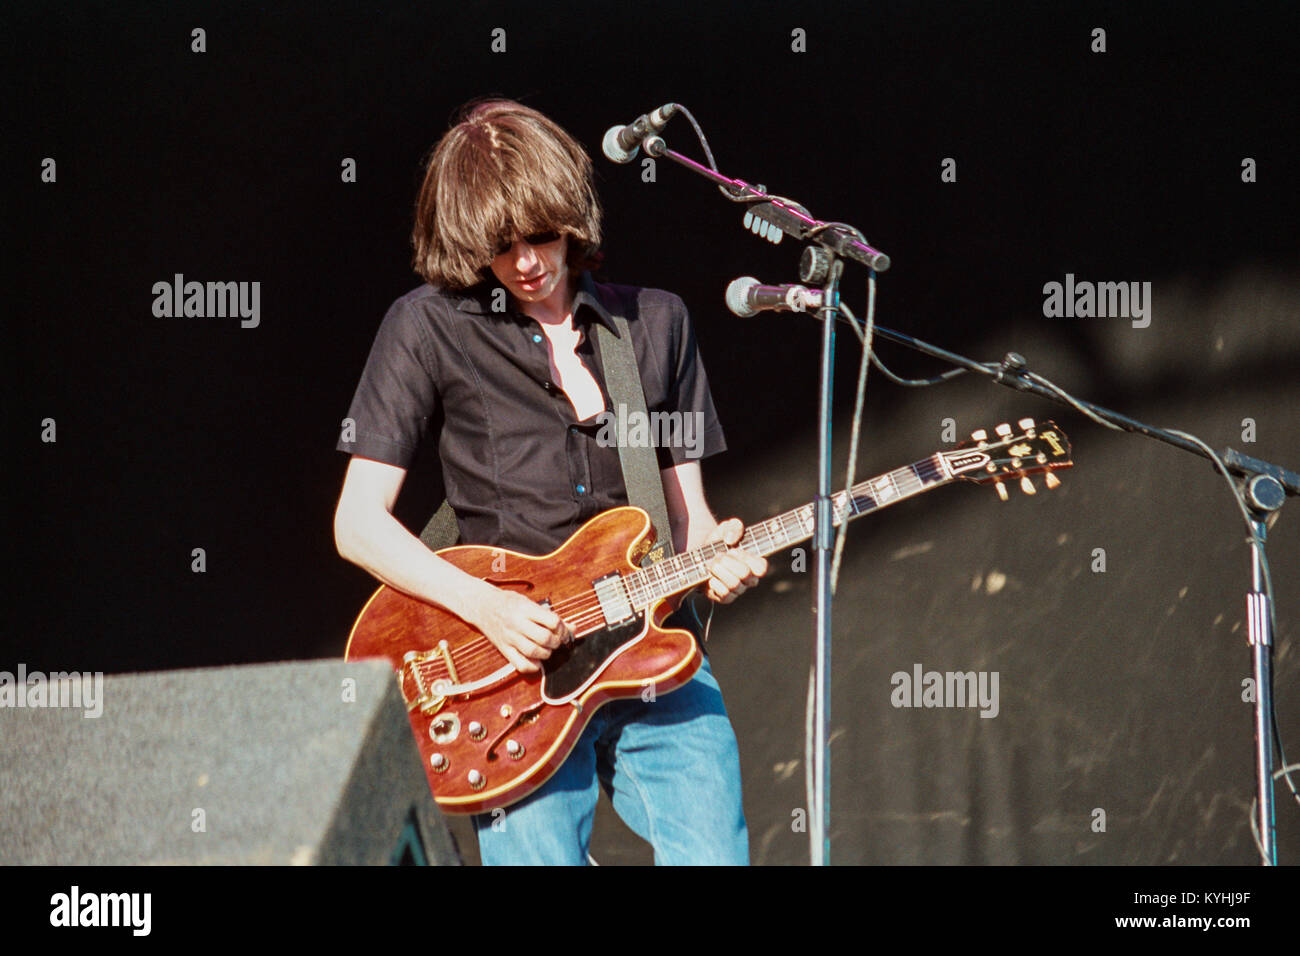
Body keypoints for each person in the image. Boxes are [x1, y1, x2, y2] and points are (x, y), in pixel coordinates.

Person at [333, 99, 766, 865]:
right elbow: (358, 523)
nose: (526, 260)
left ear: (569, 215)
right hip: (506, 669)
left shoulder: (657, 325)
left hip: (653, 645)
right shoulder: (428, 327)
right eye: (500, 246)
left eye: (539, 234)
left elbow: (691, 521)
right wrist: (485, 608)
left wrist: (719, 559)